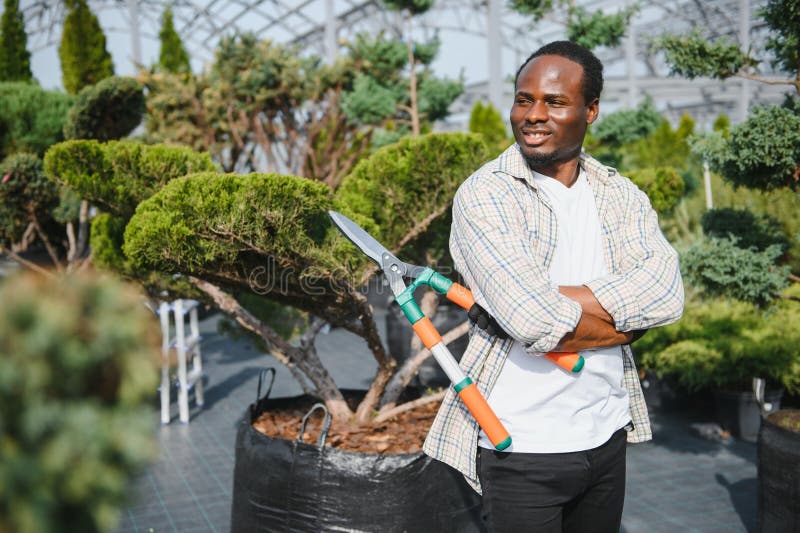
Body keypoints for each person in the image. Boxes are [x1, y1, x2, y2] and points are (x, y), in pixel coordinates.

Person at [423, 40, 684, 532]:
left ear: (591, 111)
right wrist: (628, 324)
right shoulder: (487, 194)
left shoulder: (618, 193)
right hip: (521, 447)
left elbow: (666, 294)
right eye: (524, 99)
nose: (533, 115)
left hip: (605, 432)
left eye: (555, 102)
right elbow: (531, 321)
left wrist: (547, 299)